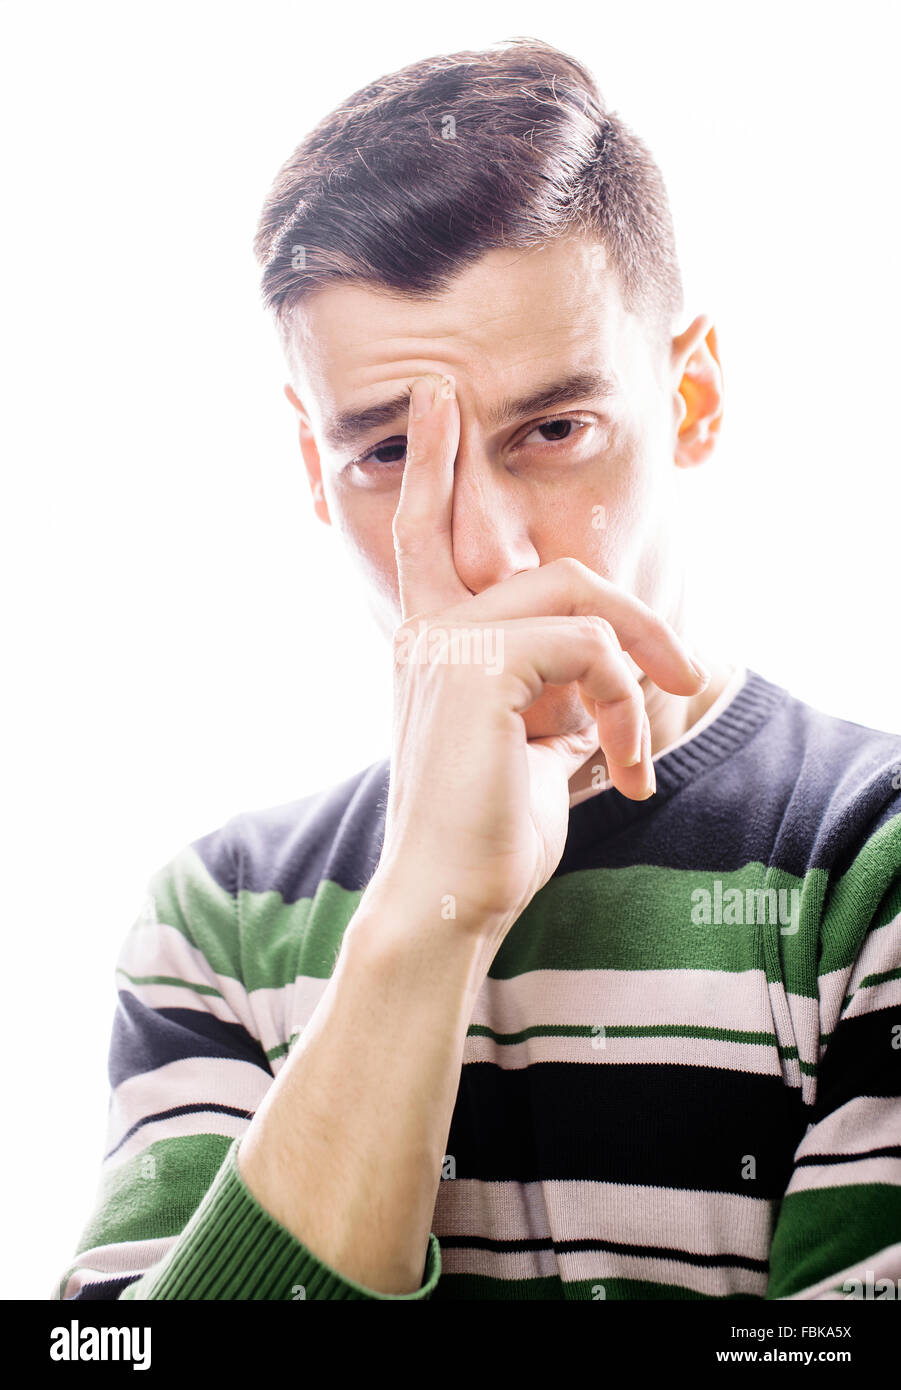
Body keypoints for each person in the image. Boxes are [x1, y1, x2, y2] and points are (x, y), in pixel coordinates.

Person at [54, 37, 901, 1302]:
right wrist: (425, 917)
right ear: (309, 468)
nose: (488, 549)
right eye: (388, 453)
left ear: (693, 396)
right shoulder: (219, 925)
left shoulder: (871, 860)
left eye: (555, 429)